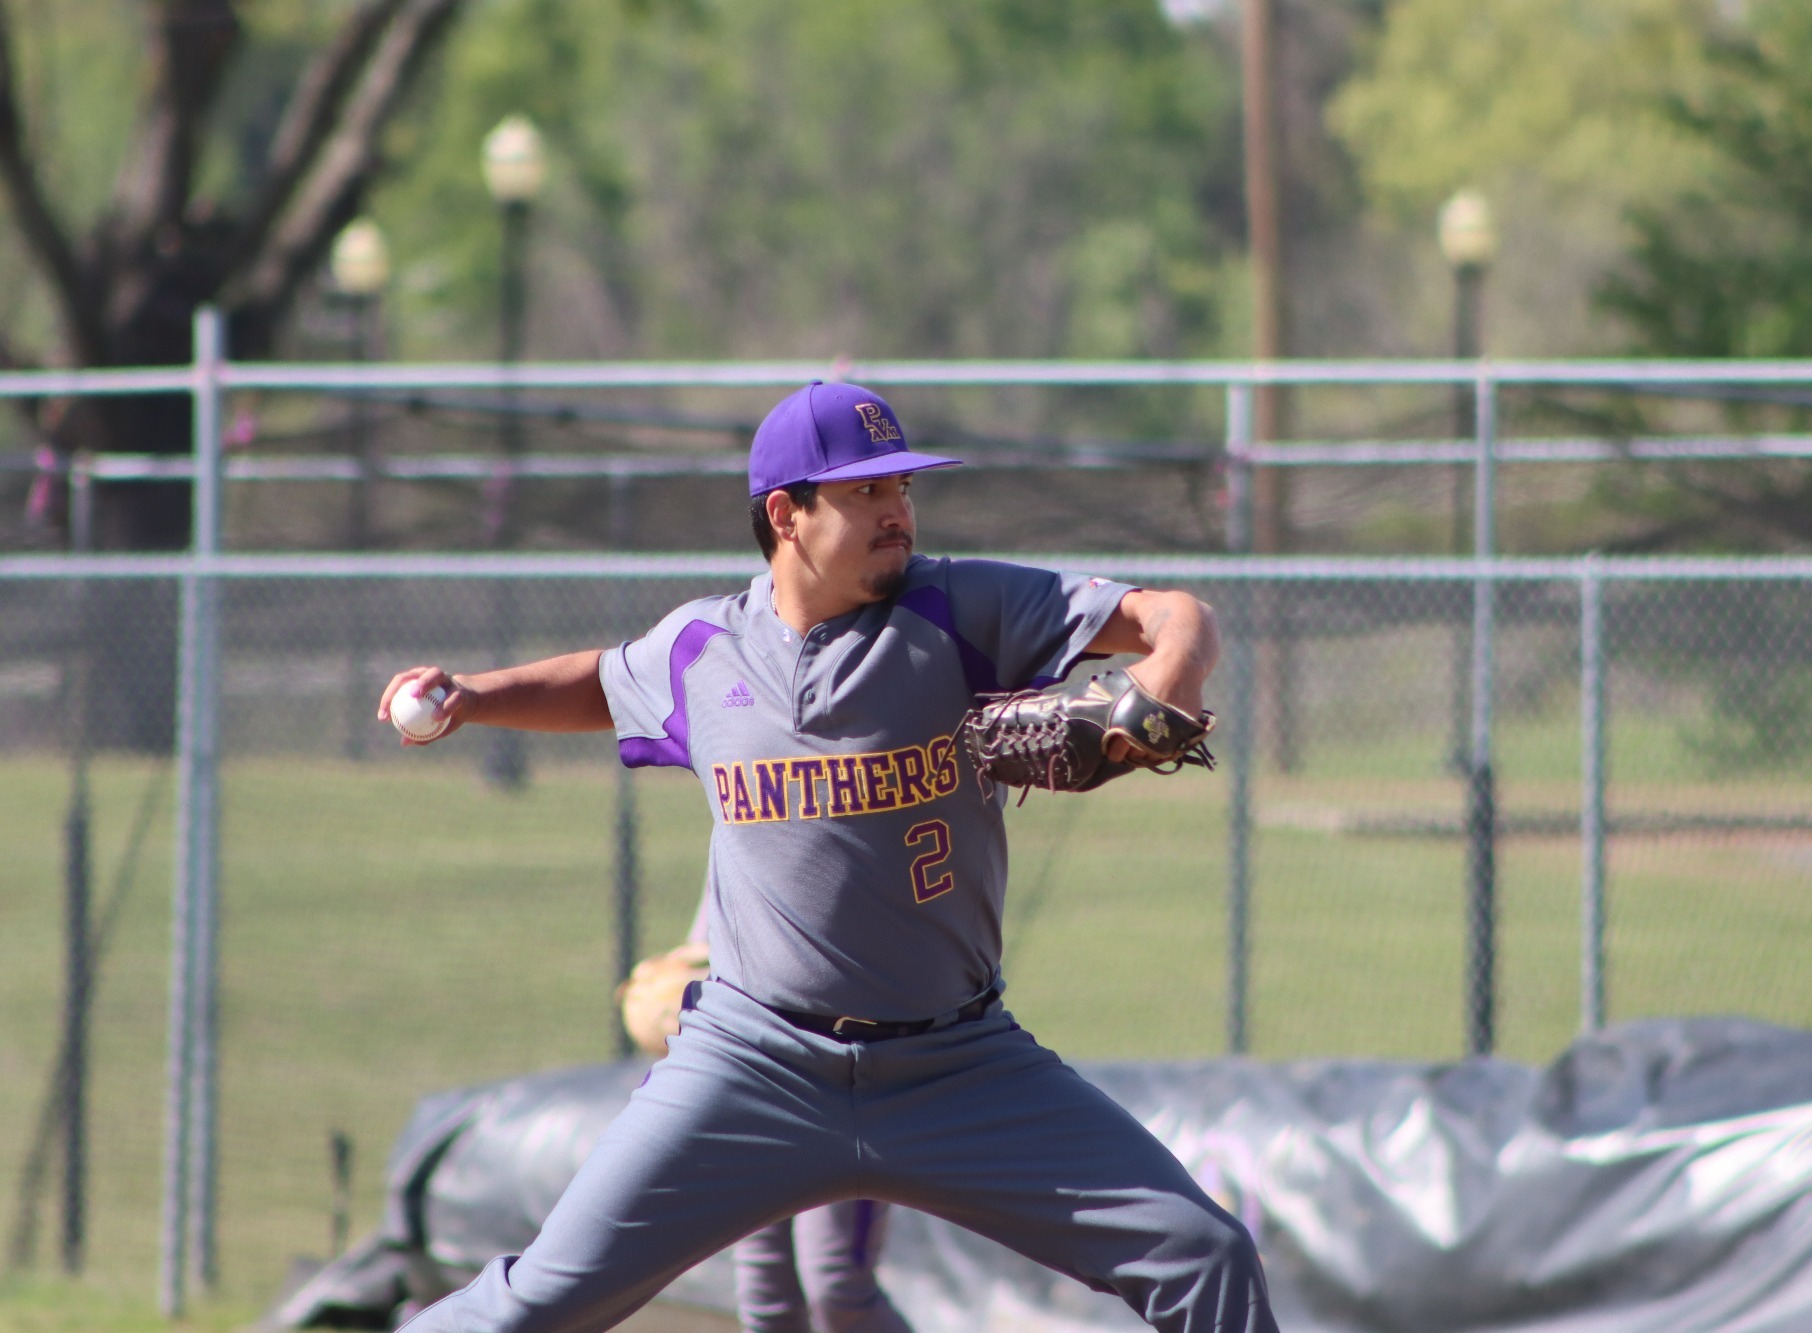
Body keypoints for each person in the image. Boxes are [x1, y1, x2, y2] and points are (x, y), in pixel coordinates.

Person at [377, 380, 1276, 1333]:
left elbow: (1178, 613)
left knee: (1203, 1254)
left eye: (903, 488)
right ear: (786, 515)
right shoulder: (702, 650)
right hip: (751, 1065)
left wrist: (1170, 669)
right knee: (537, 1302)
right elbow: (601, 681)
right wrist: (473, 696)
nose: (898, 511)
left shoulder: (963, 608)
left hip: (958, 1066)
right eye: (866, 491)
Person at [620, 901, 912, 1333]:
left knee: (837, 1286)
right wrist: (690, 983)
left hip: (845, 1079)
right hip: (755, 1076)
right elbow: (711, 935)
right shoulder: (740, 854)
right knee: (764, 1286)